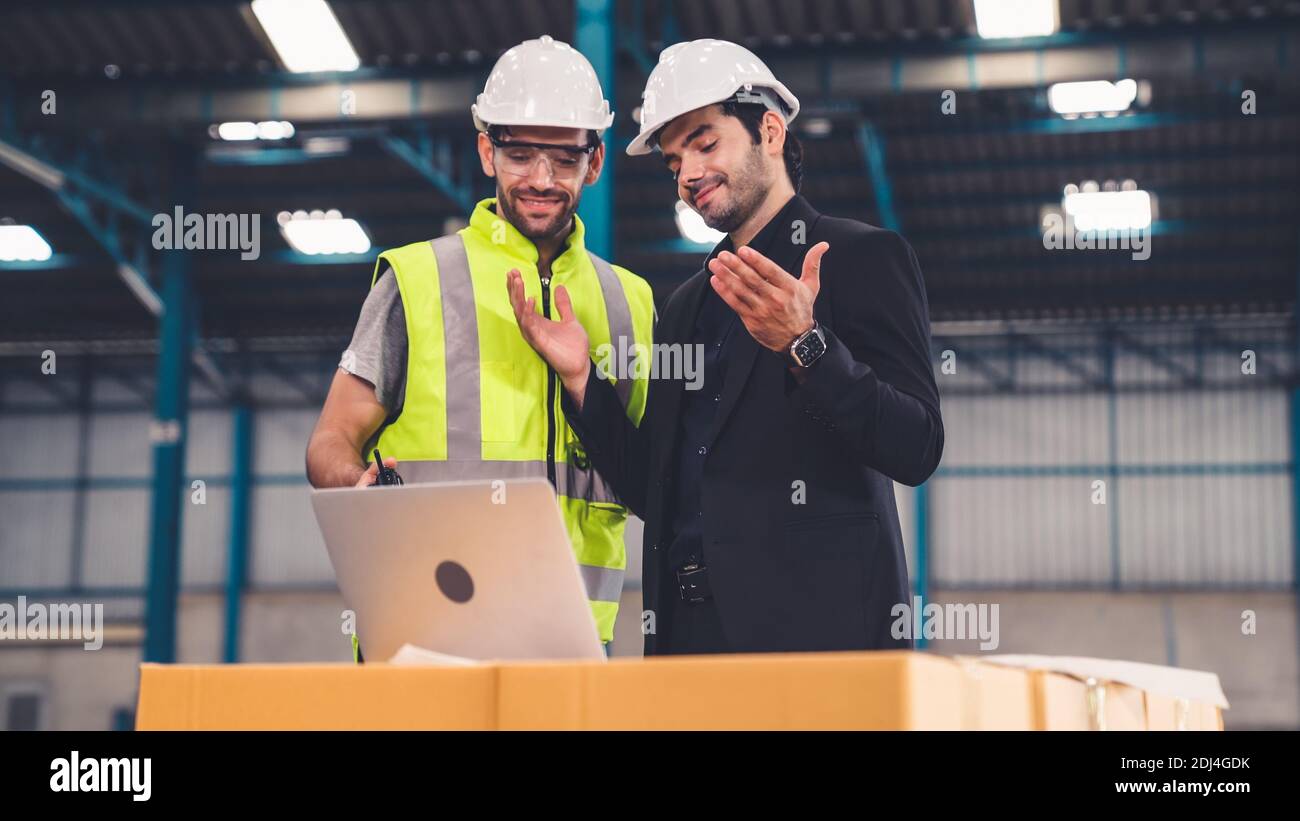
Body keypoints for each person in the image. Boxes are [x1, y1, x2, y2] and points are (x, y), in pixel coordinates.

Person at [509, 39, 943, 655]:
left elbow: (916, 446)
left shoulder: (862, 259)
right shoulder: (687, 305)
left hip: (822, 651)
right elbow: (651, 486)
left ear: (769, 130)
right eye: (673, 161)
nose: (687, 174)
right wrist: (582, 380)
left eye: (705, 143)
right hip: (691, 647)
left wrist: (806, 344)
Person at [306, 35, 656, 658]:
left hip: (569, 647)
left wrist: (582, 382)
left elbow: (652, 478)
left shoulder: (631, 302)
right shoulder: (416, 280)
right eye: (520, 154)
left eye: (564, 159)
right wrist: (357, 485)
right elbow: (330, 441)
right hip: (420, 634)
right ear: (486, 151)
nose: (542, 179)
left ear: (595, 162)